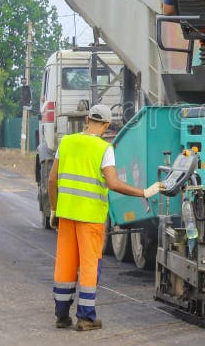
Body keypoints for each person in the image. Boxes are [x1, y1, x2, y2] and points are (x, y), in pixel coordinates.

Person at [47, 104, 163, 331]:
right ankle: (86, 318)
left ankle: (61, 316)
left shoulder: (66, 142)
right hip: (90, 218)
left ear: (87, 119)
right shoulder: (104, 148)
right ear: (107, 125)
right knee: (90, 266)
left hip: (67, 215)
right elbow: (113, 183)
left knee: (65, 265)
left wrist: (54, 210)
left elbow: (52, 181)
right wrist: (143, 192)